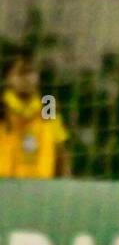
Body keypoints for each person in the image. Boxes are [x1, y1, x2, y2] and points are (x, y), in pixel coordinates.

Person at [0, 50, 71, 179]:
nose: (28, 78)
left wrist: (66, 178)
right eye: (21, 73)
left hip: (40, 187)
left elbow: (60, 147)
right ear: (7, 79)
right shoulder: (2, 107)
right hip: (5, 187)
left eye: (31, 72)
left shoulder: (47, 104)